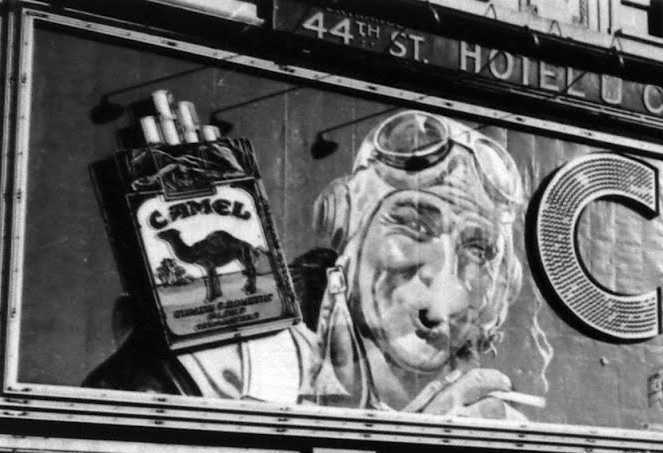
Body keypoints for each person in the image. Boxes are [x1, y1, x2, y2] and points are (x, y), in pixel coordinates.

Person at [88, 109, 532, 423]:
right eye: (414, 225)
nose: (445, 282)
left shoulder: (485, 406)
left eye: (478, 250)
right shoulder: (231, 362)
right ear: (346, 228)